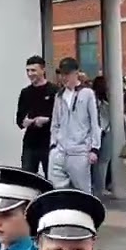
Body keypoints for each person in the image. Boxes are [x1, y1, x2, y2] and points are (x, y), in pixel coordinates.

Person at [48, 58, 100, 193]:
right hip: (59, 151)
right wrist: (53, 145)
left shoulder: (87, 93)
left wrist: (94, 148)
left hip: (79, 151)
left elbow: (95, 122)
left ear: (76, 73)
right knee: (57, 192)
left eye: (67, 74)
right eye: (62, 74)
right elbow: (55, 123)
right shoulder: (59, 96)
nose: (64, 77)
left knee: (82, 192)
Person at [18, 56, 59, 177]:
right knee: (28, 177)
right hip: (30, 143)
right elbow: (19, 119)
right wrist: (27, 122)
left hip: (49, 142)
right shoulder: (25, 93)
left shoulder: (54, 91)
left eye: (33, 70)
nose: (30, 74)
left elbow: (61, 118)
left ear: (43, 70)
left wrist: (46, 120)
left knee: (51, 177)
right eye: (28, 71)